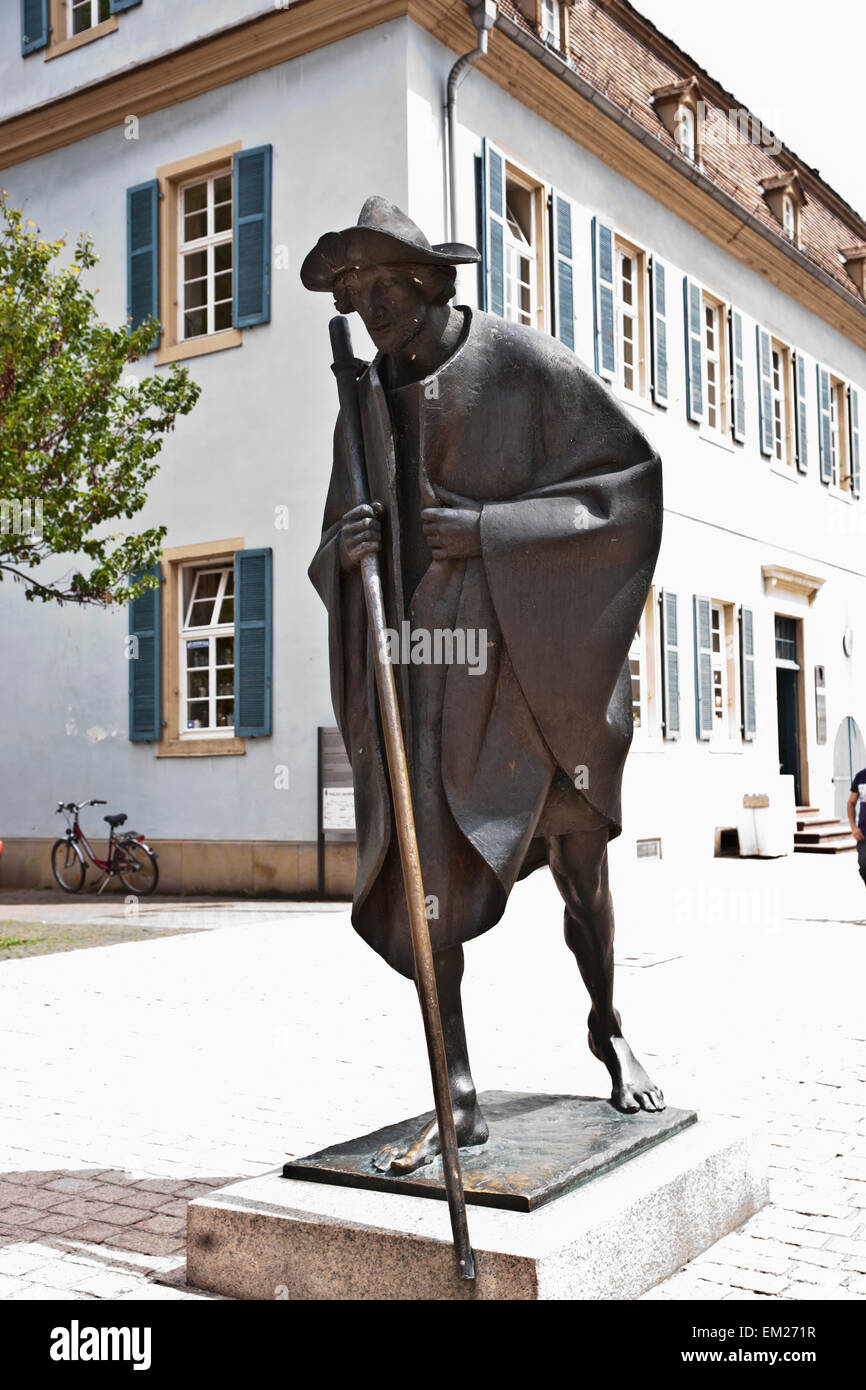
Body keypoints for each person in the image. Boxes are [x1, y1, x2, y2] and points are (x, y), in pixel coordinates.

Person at [302, 197, 665, 1175]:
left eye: (384, 287)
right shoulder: (363, 393)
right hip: (430, 676)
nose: (370, 309)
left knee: (578, 861)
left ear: (427, 284)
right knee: (418, 871)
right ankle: (452, 1082)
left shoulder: (520, 365)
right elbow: (342, 532)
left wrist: (494, 532)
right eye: (356, 292)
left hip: (535, 667)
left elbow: (625, 491)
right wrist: (344, 551)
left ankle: (607, 1024)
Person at [847, 768, 866, 885]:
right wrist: (853, 827)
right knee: (864, 866)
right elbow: (851, 803)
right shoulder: (861, 776)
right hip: (864, 834)